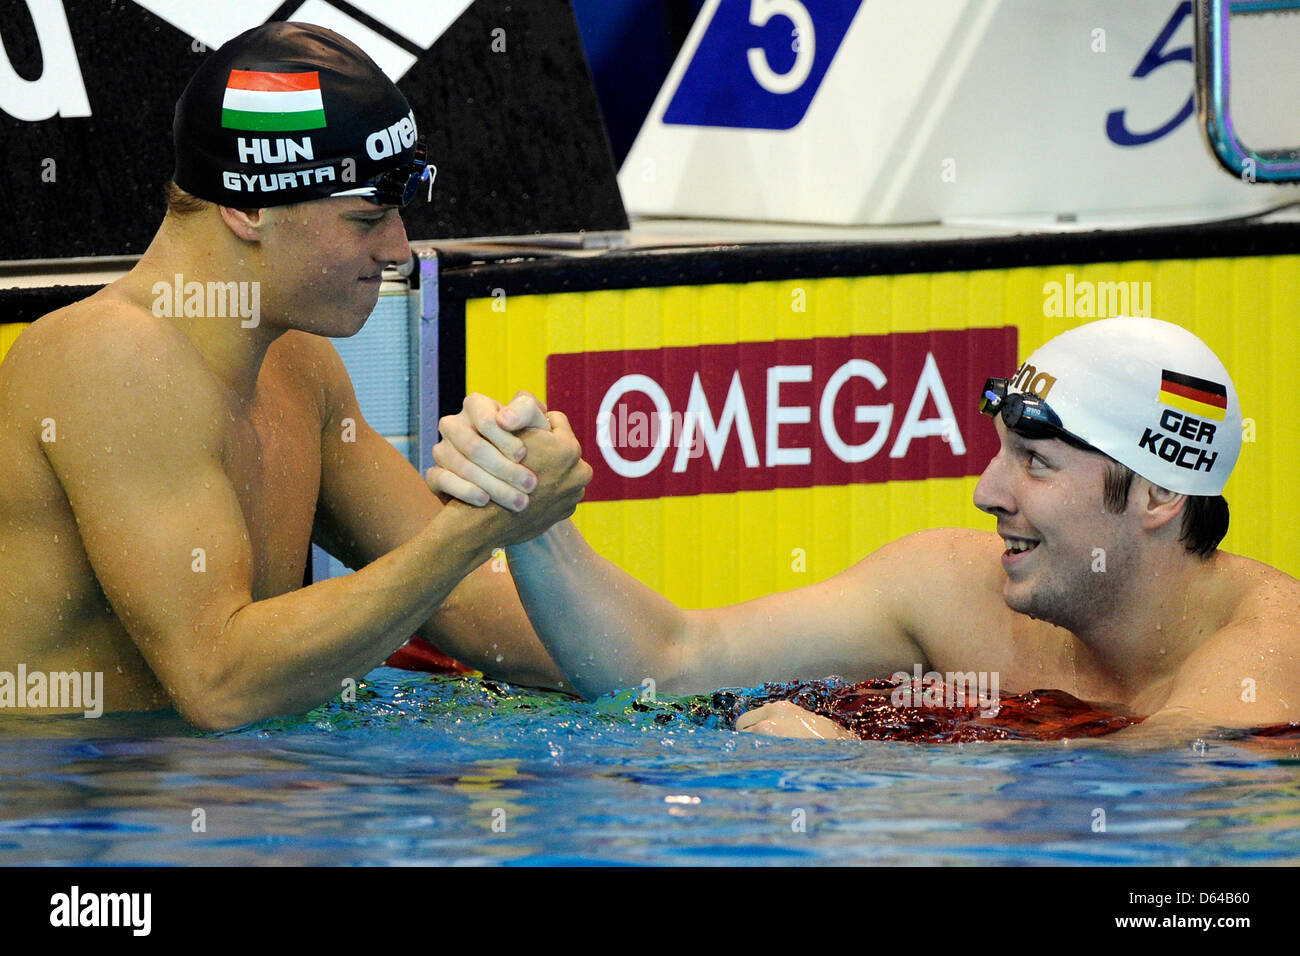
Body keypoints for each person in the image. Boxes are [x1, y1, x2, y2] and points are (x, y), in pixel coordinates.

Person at [0, 22, 590, 729]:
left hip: (224, 800)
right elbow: (221, 683)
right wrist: (473, 529)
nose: (400, 248)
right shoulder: (106, 361)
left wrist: (688, 684)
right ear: (249, 208)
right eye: (367, 217)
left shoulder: (298, 365)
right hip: (75, 811)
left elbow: (463, 602)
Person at [430, 317, 1300, 739]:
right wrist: (531, 517)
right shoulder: (949, 589)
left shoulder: (1270, 655)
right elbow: (671, 662)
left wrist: (862, 776)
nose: (985, 491)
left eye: (1035, 462)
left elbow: (1145, 815)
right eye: (1000, 452)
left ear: (1155, 497)